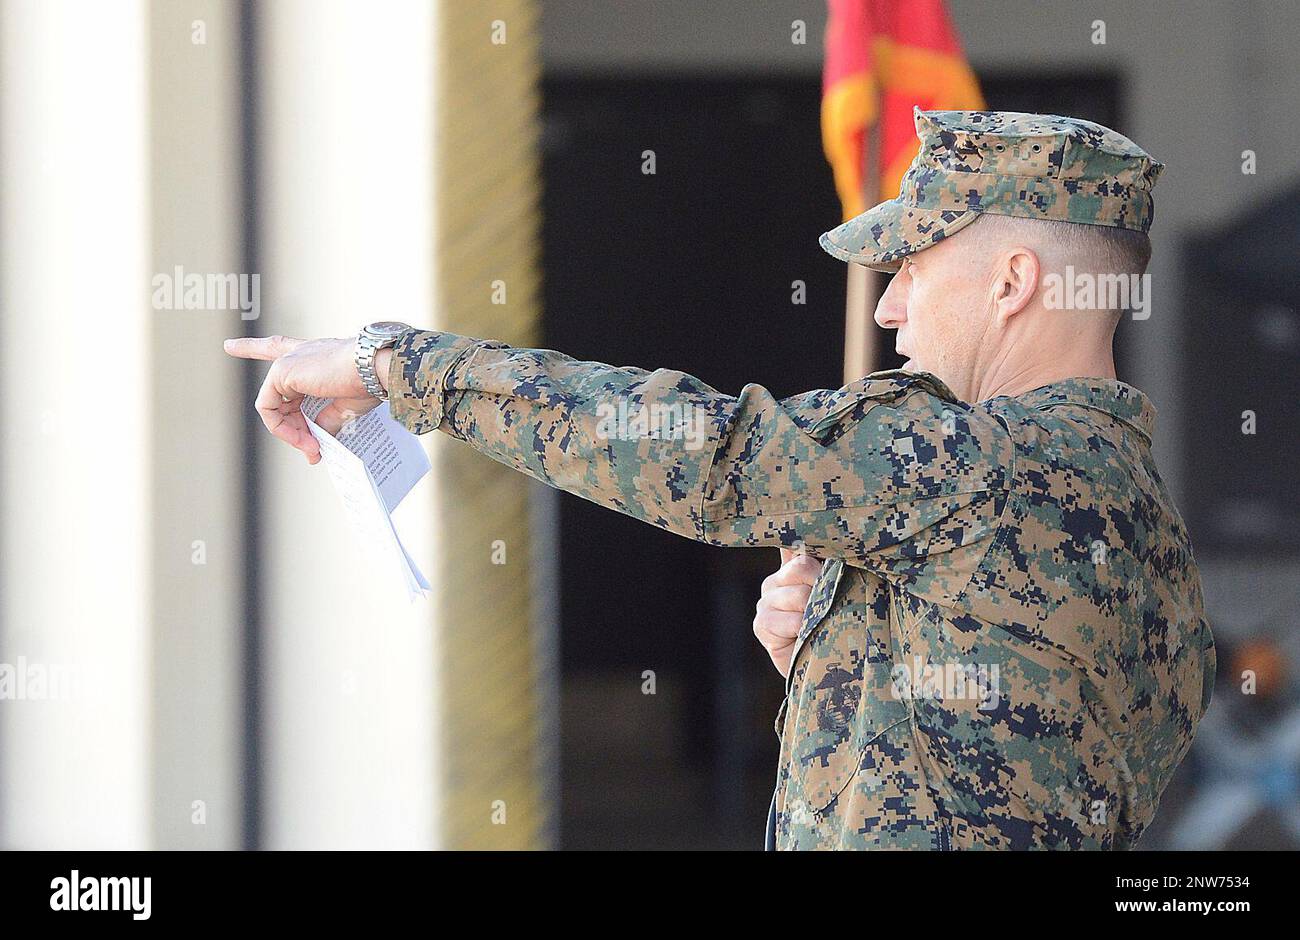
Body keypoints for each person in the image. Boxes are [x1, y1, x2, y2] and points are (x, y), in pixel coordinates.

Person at [226, 109, 1215, 850]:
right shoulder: (1133, 506)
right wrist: (840, 657)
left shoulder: (976, 453)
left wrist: (397, 366)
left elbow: (693, 451)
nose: (888, 308)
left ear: (1011, 281)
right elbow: (1027, 762)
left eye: (914, 263)